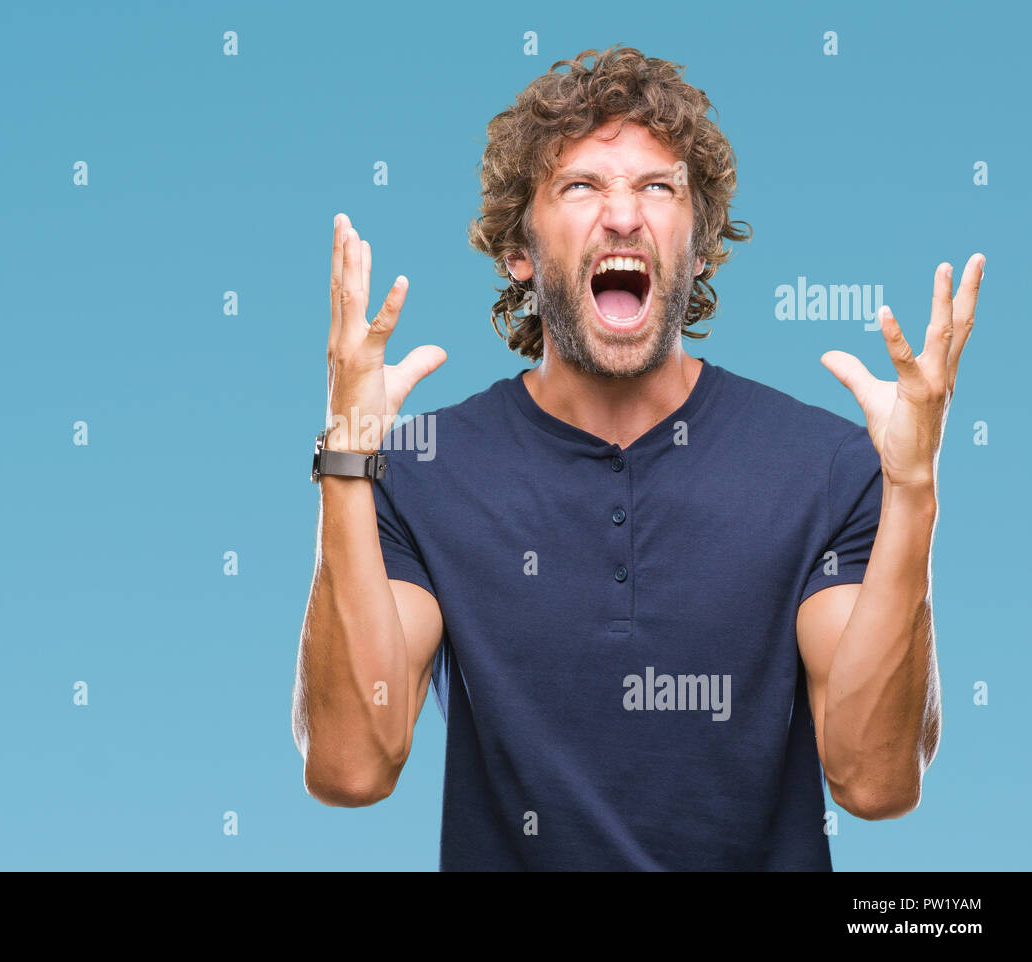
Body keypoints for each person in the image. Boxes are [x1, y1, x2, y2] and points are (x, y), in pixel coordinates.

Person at [291, 46, 984, 870]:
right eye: (581, 186)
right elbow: (350, 767)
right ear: (520, 251)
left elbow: (875, 780)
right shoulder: (420, 472)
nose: (624, 216)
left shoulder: (825, 467)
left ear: (697, 250)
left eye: (659, 187)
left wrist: (912, 490)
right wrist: (346, 459)